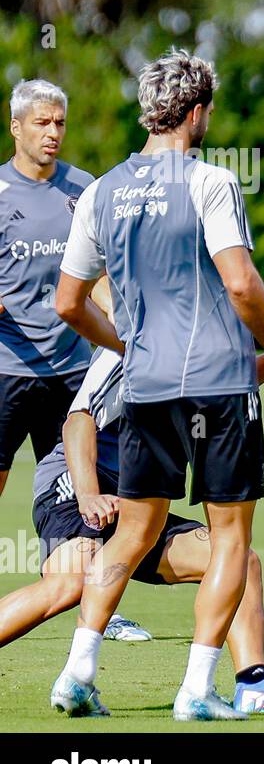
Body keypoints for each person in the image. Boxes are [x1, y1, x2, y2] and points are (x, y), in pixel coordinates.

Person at [50, 49, 264, 720]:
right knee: (230, 540)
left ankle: (77, 673)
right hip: (218, 384)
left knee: (133, 534)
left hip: (147, 385)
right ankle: (196, 690)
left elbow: (69, 302)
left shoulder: (100, 191)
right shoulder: (210, 181)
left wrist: (128, 344)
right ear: (196, 112)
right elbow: (242, 282)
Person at [1, 305, 264, 716]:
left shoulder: (202, 344)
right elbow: (77, 420)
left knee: (237, 562)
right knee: (69, 583)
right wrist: (89, 495)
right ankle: (79, 679)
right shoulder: (130, 339)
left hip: (138, 507)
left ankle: (253, 682)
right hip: (75, 486)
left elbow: (222, 386)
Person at [0, 80, 94, 500]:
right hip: (8, 369)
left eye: (60, 122)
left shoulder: (85, 188)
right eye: (42, 122)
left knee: (69, 497)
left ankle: (61, 567)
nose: (53, 132)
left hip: (72, 371)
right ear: (16, 127)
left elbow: (102, 275)